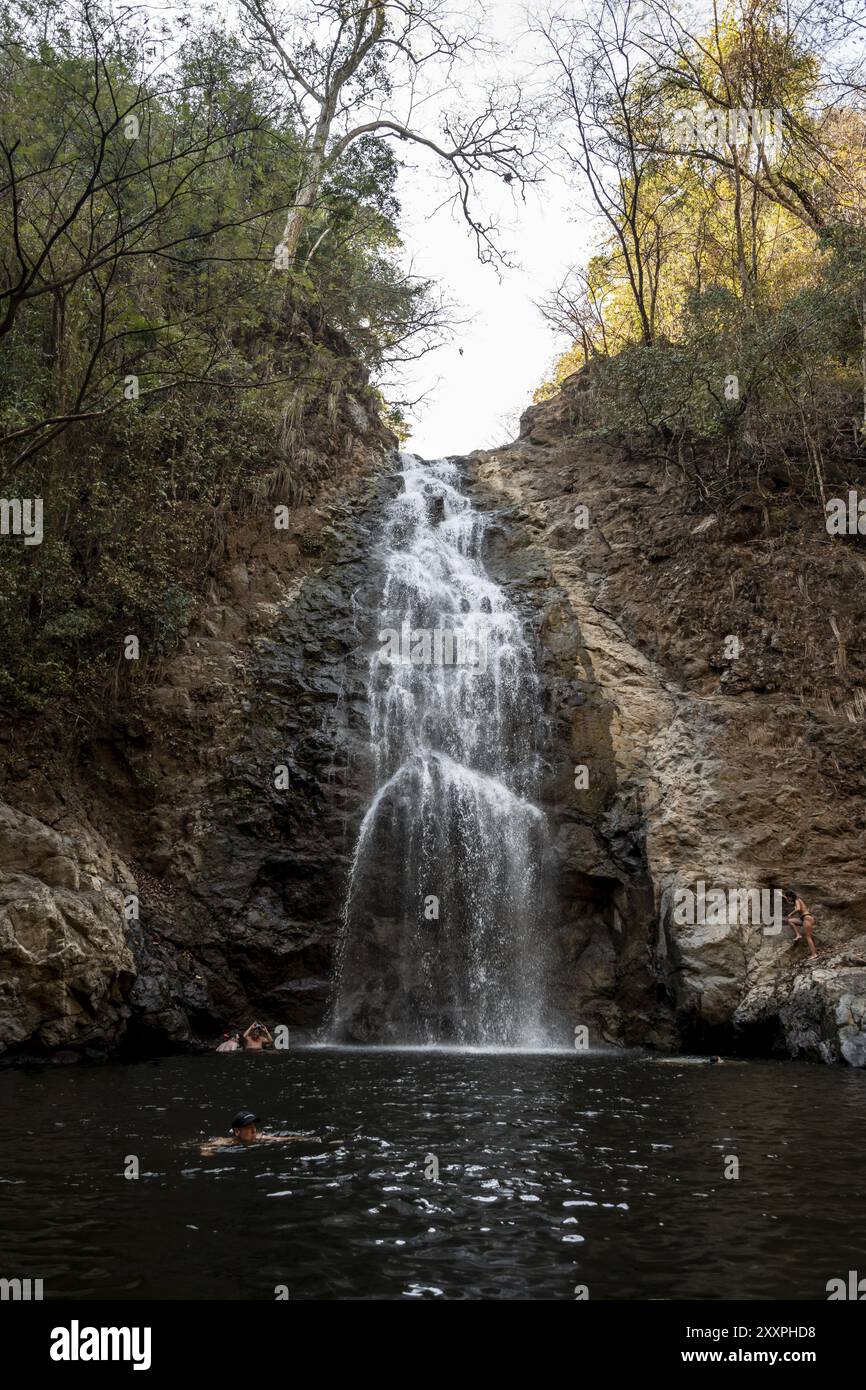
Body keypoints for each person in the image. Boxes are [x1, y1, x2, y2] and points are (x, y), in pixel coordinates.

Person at [786, 891, 818, 958]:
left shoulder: (797, 899)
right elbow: (789, 902)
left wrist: (790, 914)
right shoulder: (796, 901)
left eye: (788, 897)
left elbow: (798, 909)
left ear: (791, 896)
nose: (788, 899)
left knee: (808, 937)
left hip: (807, 918)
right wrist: (783, 896)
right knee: (790, 921)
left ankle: (814, 954)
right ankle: (798, 934)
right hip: (803, 919)